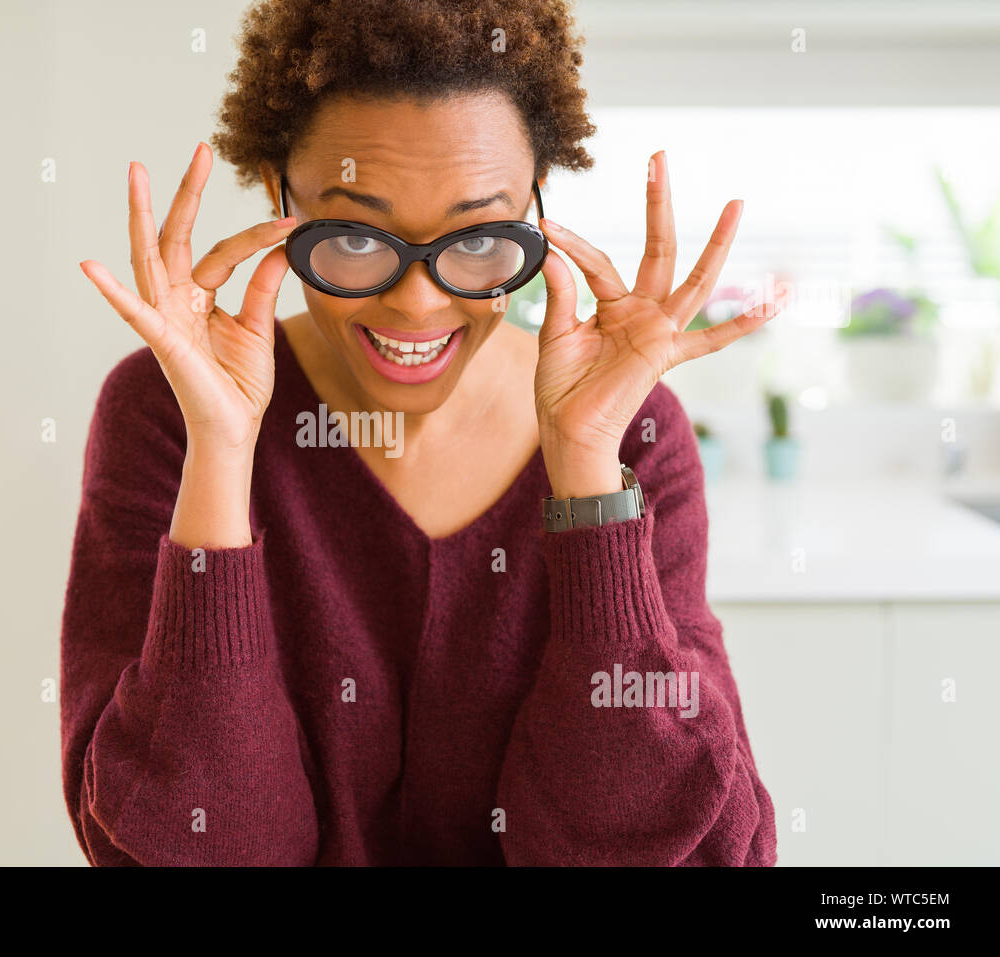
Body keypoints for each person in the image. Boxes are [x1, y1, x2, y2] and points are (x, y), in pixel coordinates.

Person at [62, 0, 779, 865]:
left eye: (480, 236)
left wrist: (587, 473)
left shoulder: (632, 432)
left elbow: (689, 848)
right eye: (355, 236)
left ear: (538, 204)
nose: (417, 302)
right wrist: (221, 449)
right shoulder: (163, 411)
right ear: (275, 197)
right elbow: (200, 845)